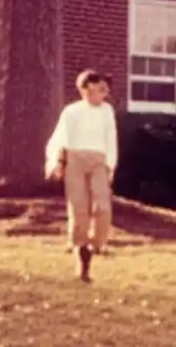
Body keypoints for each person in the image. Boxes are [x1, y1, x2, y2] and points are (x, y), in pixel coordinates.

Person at [44, 69, 118, 282]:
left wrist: (110, 165)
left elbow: (111, 138)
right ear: (85, 90)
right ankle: (80, 247)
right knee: (78, 207)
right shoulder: (72, 112)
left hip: (98, 160)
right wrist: (56, 162)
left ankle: (97, 243)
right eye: (99, 90)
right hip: (75, 160)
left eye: (105, 91)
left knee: (102, 205)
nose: (103, 95)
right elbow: (60, 138)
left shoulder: (107, 111)